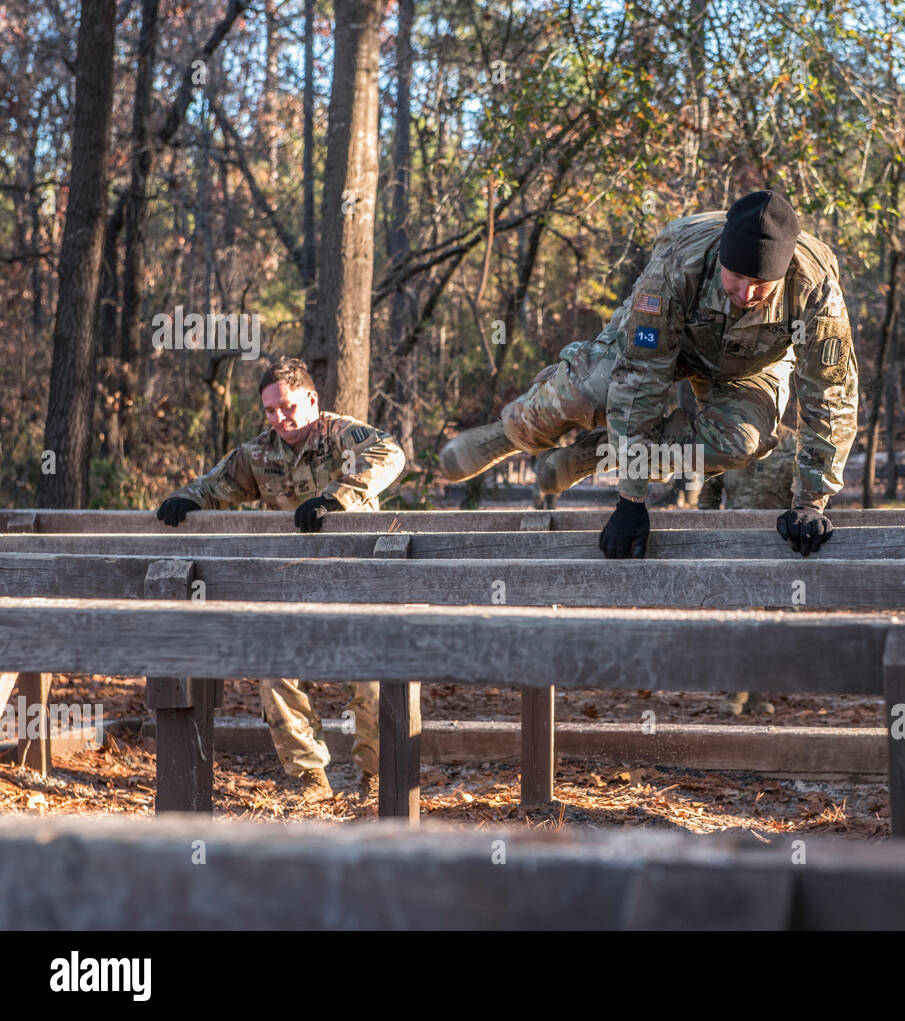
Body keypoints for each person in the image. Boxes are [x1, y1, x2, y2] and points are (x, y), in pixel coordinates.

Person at [438, 190, 858, 558]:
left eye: (760, 285)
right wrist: (631, 501)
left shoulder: (816, 290)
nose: (746, 295)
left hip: (751, 363)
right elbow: (640, 377)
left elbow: (831, 397)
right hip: (671, 343)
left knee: (740, 442)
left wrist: (810, 503)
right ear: (721, 259)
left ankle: (600, 452)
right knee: (590, 390)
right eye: (736, 278)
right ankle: (515, 431)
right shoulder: (678, 266)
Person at [155, 357, 406, 801]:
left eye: (287, 407)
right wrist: (183, 499)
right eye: (270, 410)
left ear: (311, 399)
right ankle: (311, 780)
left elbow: (391, 454)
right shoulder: (260, 453)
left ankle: (375, 778)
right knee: (276, 672)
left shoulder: (343, 434)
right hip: (294, 585)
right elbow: (215, 485)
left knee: (372, 683)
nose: (279, 418)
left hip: (358, 581)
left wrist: (336, 496)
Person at [698, 426, 797, 715]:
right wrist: (709, 534)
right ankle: (735, 692)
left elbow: (811, 493)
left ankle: (758, 692)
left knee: (775, 624)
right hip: (736, 545)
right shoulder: (730, 438)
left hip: (781, 548)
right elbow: (710, 491)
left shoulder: (795, 444)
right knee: (738, 620)